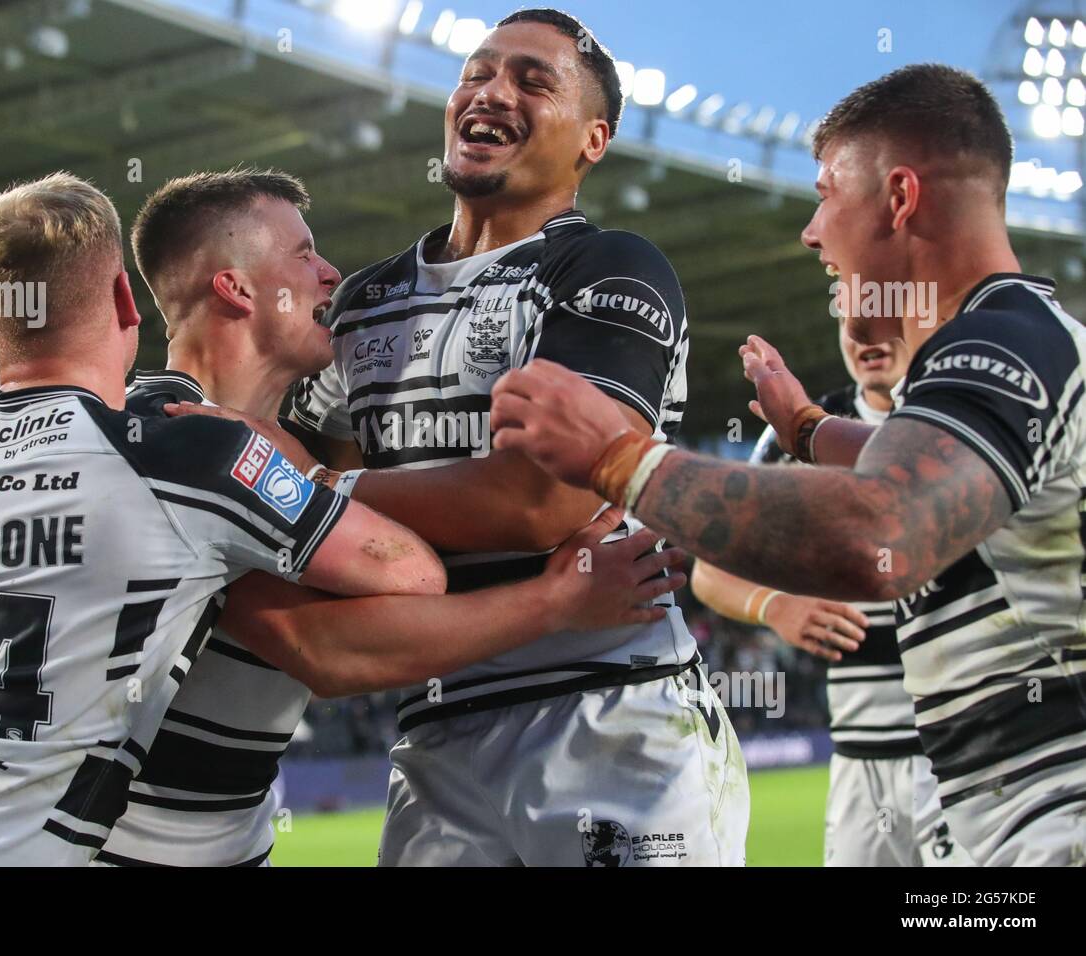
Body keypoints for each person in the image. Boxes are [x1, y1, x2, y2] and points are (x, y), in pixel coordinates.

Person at [490, 64, 1086, 866]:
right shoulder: (1020, 336)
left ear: (901, 198)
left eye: (827, 192)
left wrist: (620, 458)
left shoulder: (1000, 342)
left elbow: (882, 532)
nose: (811, 231)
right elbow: (924, 475)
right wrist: (809, 427)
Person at [0, 172, 452, 866]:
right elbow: (407, 575)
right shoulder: (181, 448)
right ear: (125, 303)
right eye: (304, 252)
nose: (328, 271)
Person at [230, 8, 748, 867]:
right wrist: (311, 499)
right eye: (477, 72)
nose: (492, 91)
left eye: (533, 82)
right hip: (436, 727)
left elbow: (544, 500)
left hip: (614, 715)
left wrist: (323, 499)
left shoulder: (611, 267)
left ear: (593, 140)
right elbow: (321, 537)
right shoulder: (360, 302)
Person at [94, 168, 685, 867]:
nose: (329, 274)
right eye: (303, 254)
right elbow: (324, 648)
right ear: (237, 286)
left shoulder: (266, 449)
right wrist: (557, 599)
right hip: (128, 846)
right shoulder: (163, 430)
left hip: (220, 842)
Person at [693, 319, 970, 866]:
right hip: (858, 764)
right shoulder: (792, 439)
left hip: (965, 753)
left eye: (888, 315)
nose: (869, 336)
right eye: (851, 320)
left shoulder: (968, 419)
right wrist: (774, 604)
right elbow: (711, 569)